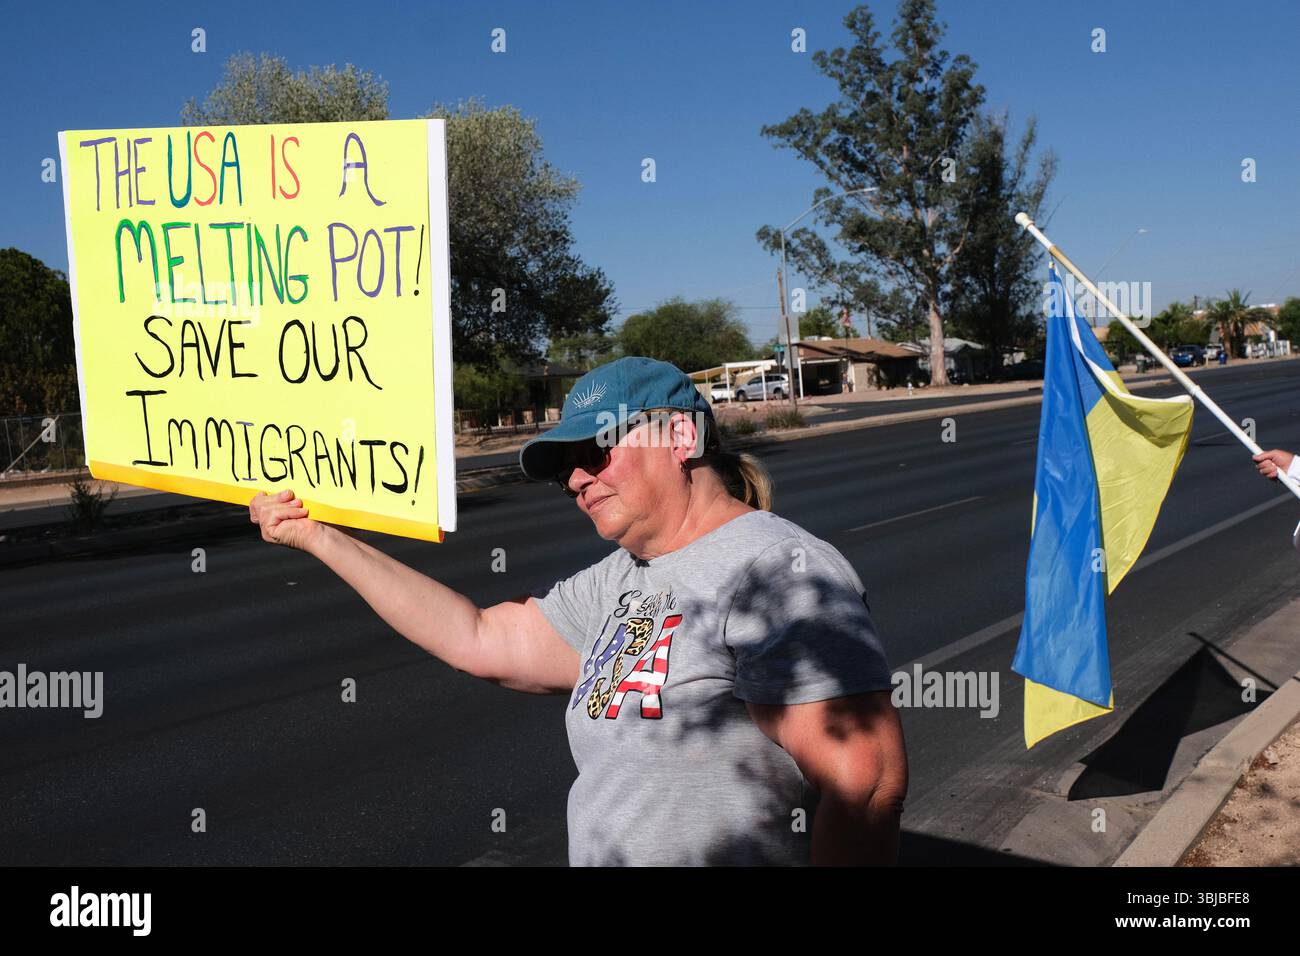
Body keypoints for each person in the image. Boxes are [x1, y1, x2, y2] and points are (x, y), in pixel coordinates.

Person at [249, 356, 906, 866]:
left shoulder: (774, 570)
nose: (574, 478)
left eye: (595, 452)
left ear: (679, 437)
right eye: (567, 464)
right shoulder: (623, 576)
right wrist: (317, 536)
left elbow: (866, 781)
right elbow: (479, 638)